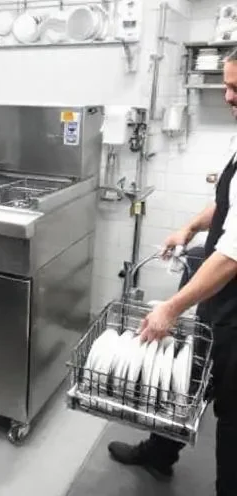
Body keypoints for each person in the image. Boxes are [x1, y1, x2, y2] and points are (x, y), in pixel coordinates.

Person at [108, 47, 237, 495]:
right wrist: (189, 227)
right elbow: (225, 204)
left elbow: (232, 255)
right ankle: (159, 455)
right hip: (221, 297)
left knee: (232, 415)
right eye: (226, 85)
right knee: (187, 374)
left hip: (236, 304)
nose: (228, 96)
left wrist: (171, 308)